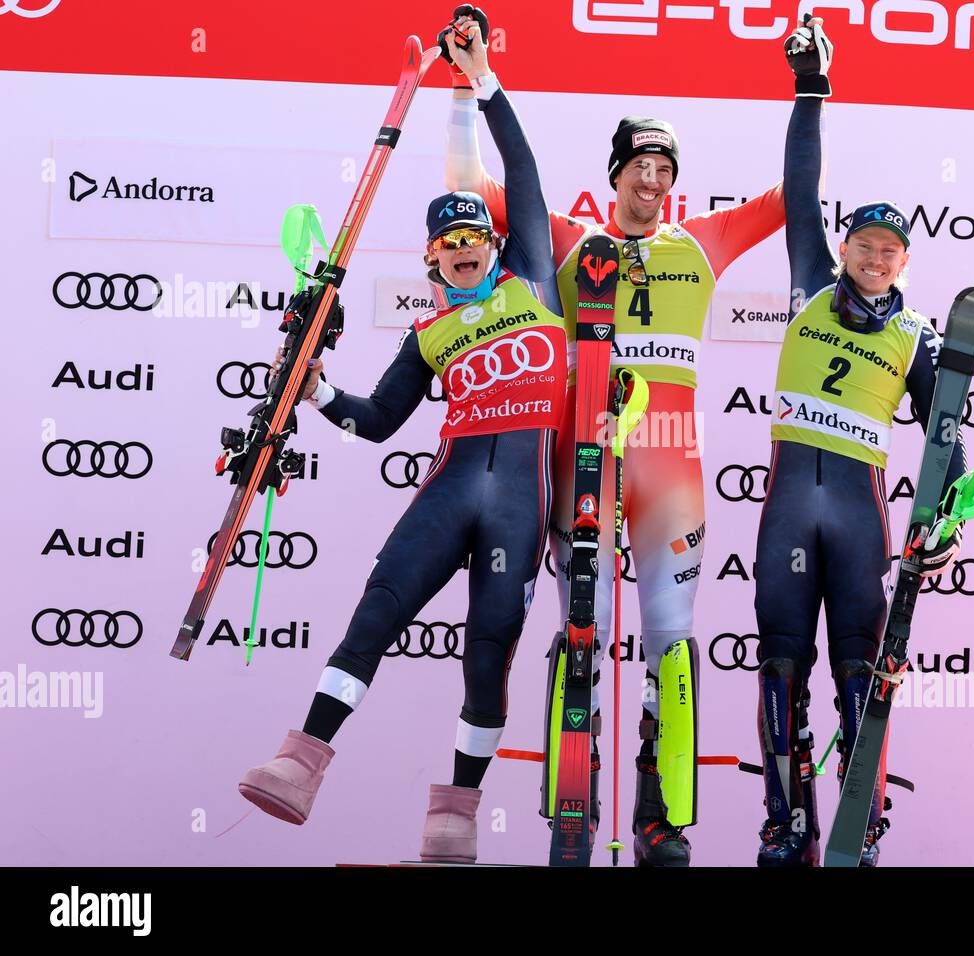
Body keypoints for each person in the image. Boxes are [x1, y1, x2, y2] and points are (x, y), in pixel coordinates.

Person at [442, 8, 787, 867]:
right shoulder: (567, 241)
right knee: (581, 631)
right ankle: (573, 806)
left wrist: (809, 92)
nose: (655, 178)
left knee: (671, 639)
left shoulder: (702, 242)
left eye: (666, 167)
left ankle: (660, 816)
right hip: (582, 456)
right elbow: (472, 181)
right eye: (641, 164)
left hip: (672, 462)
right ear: (617, 171)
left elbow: (796, 198)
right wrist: (466, 87)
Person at [235, 17, 567, 865]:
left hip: (518, 510)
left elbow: (522, 171)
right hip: (451, 489)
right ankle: (298, 764)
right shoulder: (427, 335)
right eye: (449, 244)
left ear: (496, 243)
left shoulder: (535, 276)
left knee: (487, 657)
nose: (465, 252)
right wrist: (316, 394)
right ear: (431, 258)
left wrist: (484, 80)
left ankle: (455, 818)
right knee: (376, 615)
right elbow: (377, 420)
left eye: (475, 239)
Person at [753, 17, 967, 867]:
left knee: (857, 679)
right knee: (778, 668)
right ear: (844, 249)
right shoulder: (811, 280)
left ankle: (859, 824)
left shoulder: (915, 334)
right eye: (865, 245)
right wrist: (811, 89)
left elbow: (943, 434)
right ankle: (783, 821)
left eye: (891, 250)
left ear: (903, 262)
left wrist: (952, 512)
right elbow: (799, 192)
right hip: (786, 514)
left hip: (856, 513)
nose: (876, 258)